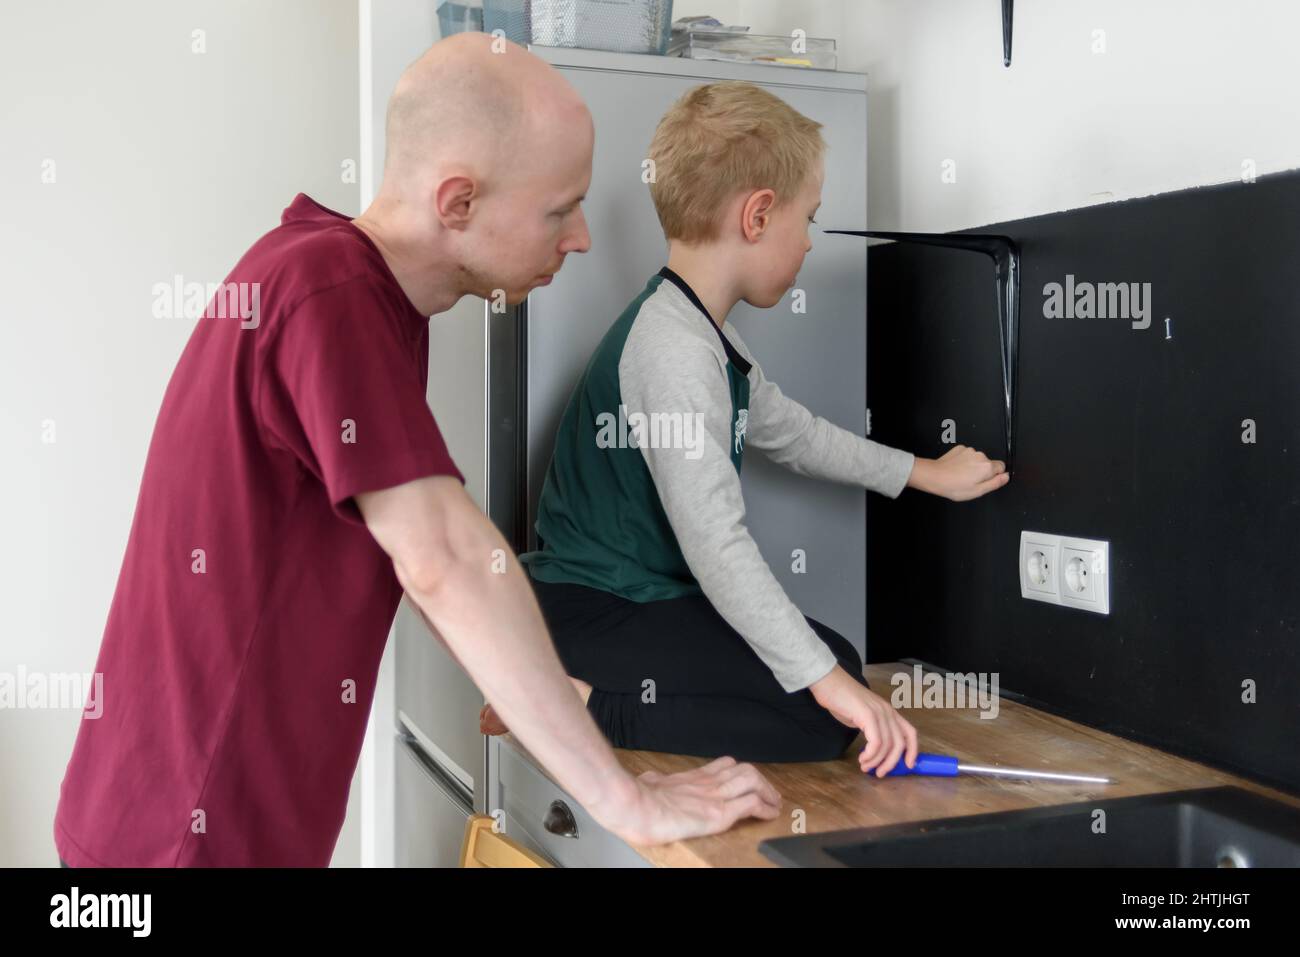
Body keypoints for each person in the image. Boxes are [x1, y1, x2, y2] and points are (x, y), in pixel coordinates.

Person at [53, 35, 779, 869]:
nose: (580, 237)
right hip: (185, 837)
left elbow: (425, 565)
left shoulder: (340, 283)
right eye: (559, 208)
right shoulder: (330, 294)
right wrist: (625, 797)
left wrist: (540, 690)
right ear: (458, 202)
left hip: (174, 823)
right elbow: (446, 557)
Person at [485, 81, 1009, 772]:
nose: (811, 243)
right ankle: (580, 705)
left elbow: (791, 431)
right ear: (759, 215)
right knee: (816, 705)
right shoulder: (671, 349)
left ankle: (590, 696)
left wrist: (924, 472)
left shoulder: (699, 330)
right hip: (591, 609)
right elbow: (717, 545)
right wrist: (824, 683)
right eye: (809, 219)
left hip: (636, 603)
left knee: (835, 664)